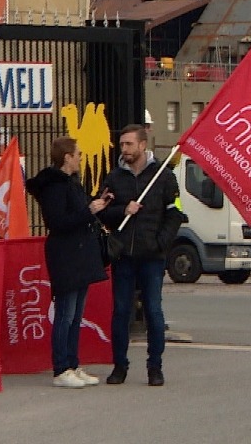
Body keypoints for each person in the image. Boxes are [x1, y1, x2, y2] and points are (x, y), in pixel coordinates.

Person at [95, 123, 185, 387]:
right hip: (123, 255)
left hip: (152, 256)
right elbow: (102, 210)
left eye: (129, 144)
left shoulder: (164, 177)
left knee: (153, 311)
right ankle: (119, 366)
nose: (124, 149)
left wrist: (161, 243)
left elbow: (175, 212)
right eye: (122, 145)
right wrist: (123, 210)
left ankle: (154, 367)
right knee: (121, 311)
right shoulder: (114, 178)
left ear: (143, 145)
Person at [27, 137, 112, 388]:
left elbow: (80, 208)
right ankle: (60, 367)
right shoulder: (54, 186)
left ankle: (73, 363)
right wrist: (89, 211)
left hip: (80, 252)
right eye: (78, 154)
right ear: (67, 157)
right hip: (65, 253)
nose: (80, 157)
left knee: (76, 314)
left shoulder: (72, 182)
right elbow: (58, 222)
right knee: (65, 312)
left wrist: (98, 201)